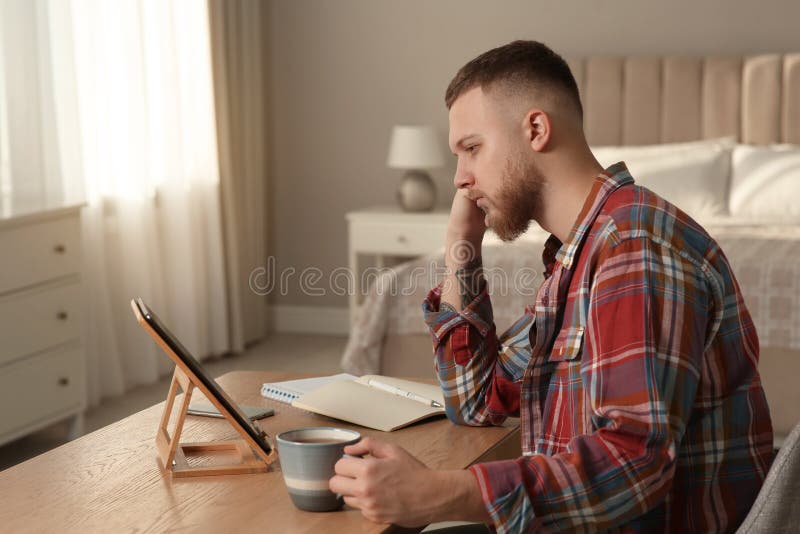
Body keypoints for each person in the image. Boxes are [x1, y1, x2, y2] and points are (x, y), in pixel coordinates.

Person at [330, 40, 774, 532]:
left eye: (472, 149)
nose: (460, 178)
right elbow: (476, 401)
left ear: (536, 129)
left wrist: (443, 494)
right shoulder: (576, 255)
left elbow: (635, 461)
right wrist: (462, 243)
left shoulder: (633, 248)